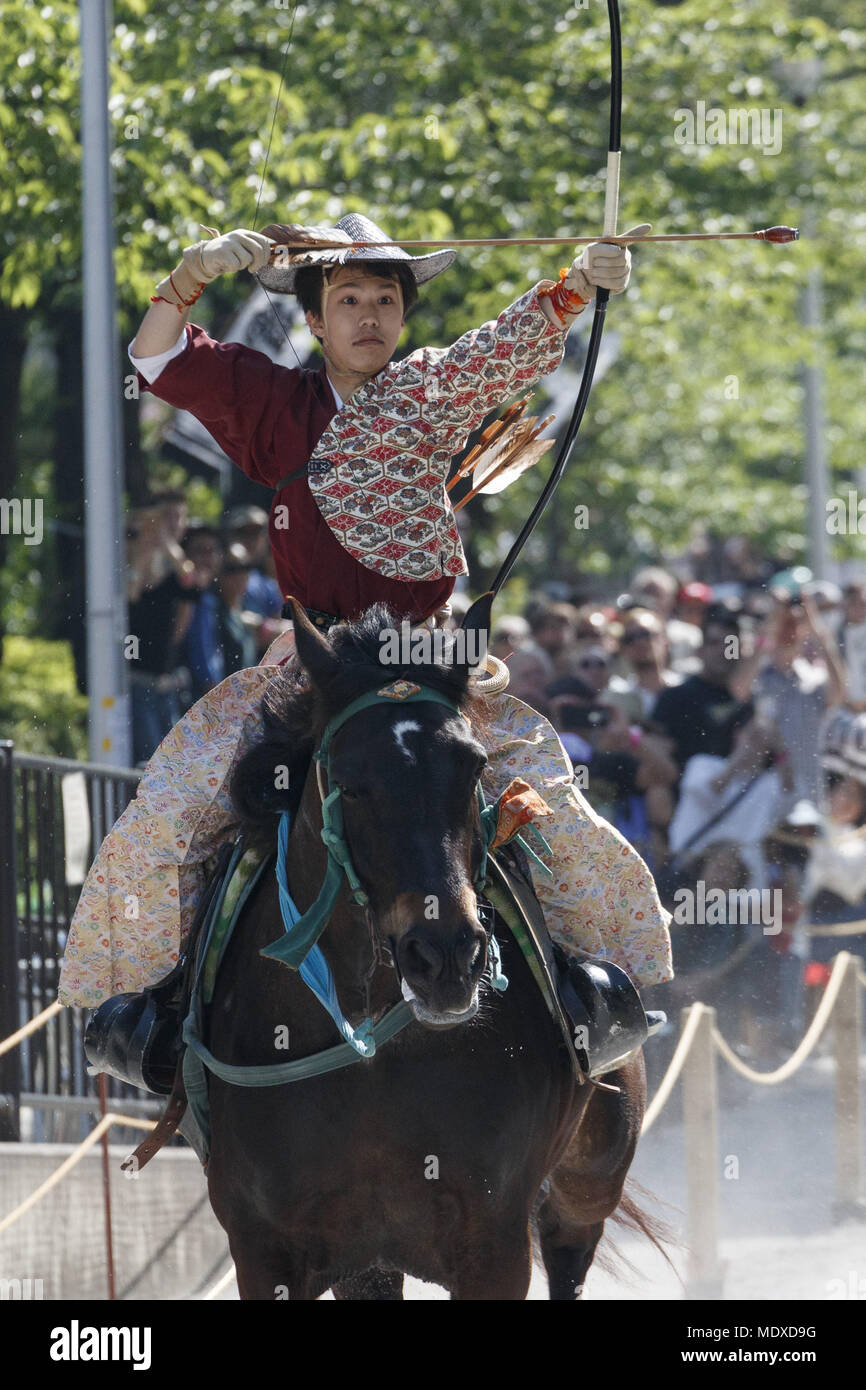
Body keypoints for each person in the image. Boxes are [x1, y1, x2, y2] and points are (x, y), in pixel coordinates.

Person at [58, 212, 672, 1081]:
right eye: (348, 299)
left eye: (387, 299)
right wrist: (190, 274)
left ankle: (590, 995)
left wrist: (581, 282)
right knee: (167, 814)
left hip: (430, 664)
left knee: (560, 817)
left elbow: (509, 341)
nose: (370, 316)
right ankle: (155, 1009)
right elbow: (155, 357)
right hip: (312, 666)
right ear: (315, 319)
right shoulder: (272, 401)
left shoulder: (426, 386)